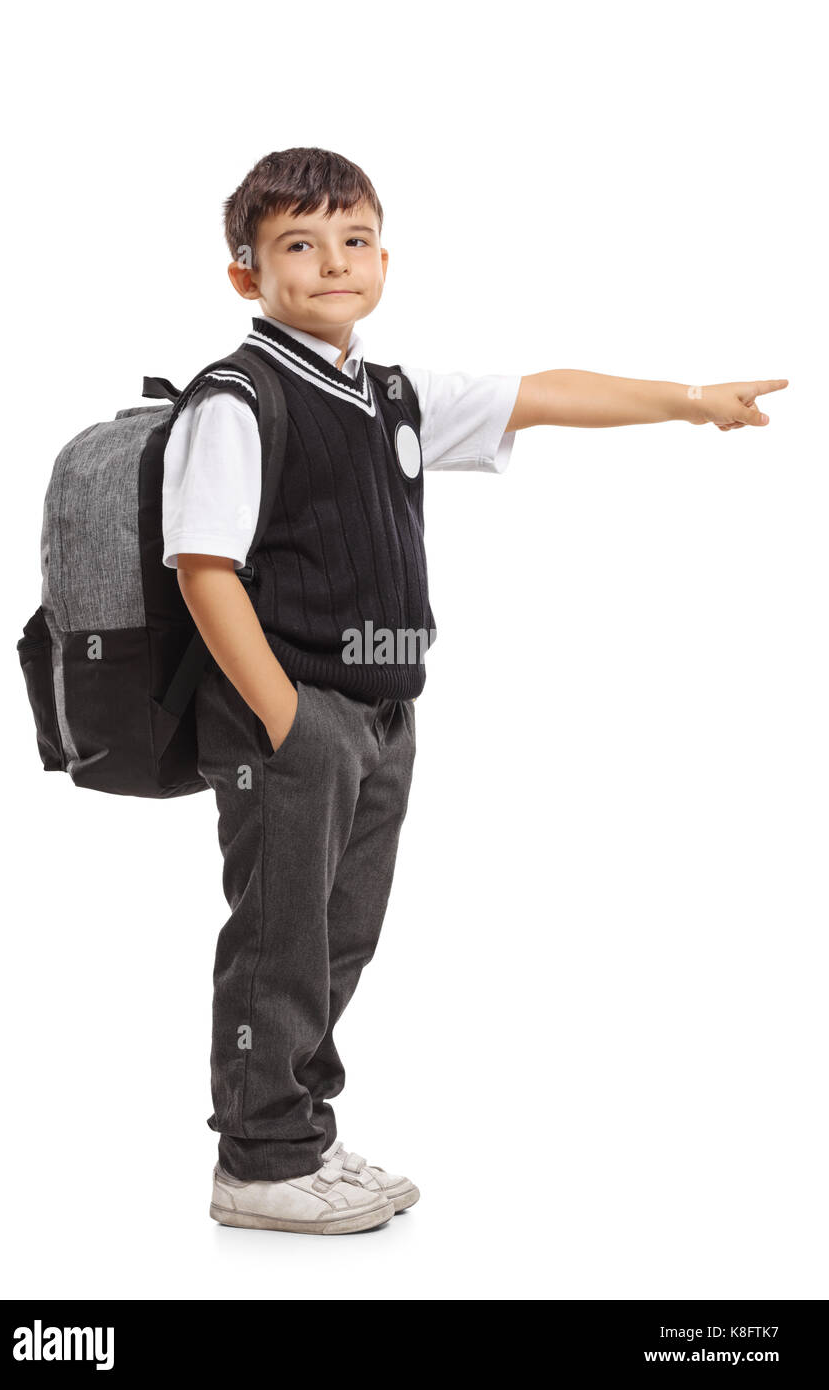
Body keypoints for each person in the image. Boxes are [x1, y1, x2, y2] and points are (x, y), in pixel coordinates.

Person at [162, 146, 787, 1235]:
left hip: (380, 711)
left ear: (384, 257)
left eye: (353, 239)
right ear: (244, 276)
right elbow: (203, 567)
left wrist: (689, 400)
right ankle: (256, 1163)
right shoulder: (239, 397)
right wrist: (288, 719)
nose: (332, 262)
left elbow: (537, 393)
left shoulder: (384, 394)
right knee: (279, 939)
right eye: (297, 245)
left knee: (337, 933)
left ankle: (295, 1133)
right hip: (295, 716)